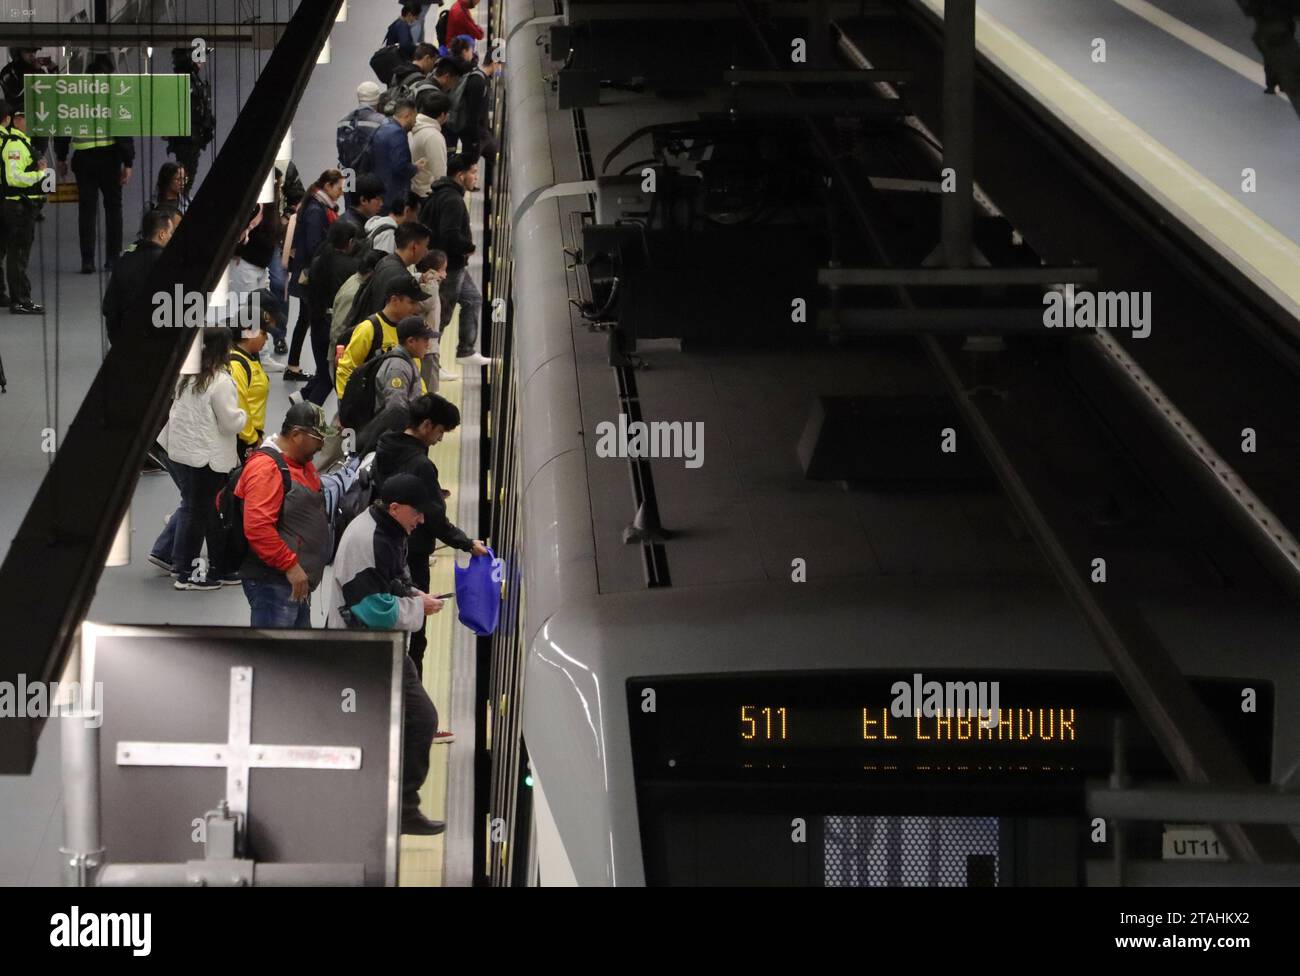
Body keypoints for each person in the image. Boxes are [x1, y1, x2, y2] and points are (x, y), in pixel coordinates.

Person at [326, 471, 447, 834]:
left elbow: (391, 580)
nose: (422, 520)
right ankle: (371, 810)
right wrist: (417, 610)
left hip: (384, 646)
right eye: (417, 513)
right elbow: (370, 608)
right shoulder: (369, 539)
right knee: (386, 727)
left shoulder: (391, 531)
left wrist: (414, 595)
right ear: (395, 508)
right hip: (362, 652)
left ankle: (400, 807)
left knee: (414, 720)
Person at [373, 393, 488, 675]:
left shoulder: (386, 444)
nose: (439, 439)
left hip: (385, 542)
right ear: (426, 425)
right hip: (413, 552)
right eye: (439, 432)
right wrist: (467, 543)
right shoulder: (421, 464)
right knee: (416, 629)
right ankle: (412, 703)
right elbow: (434, 519)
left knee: (395, 620)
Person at [152, 329, 247, 590]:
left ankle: (192, 567)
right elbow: (230, 424)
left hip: (185, 454)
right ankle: (188, 575)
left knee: (196, 511)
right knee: (204, 514)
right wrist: (243, 417)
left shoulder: (186, 376)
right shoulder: (221, 382)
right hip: (209, 458)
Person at [235, 401, 333, 627]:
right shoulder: (266, 469)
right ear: (297, 435)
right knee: (274, 657)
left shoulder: (300, 462)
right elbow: (258, 528)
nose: (322, 445)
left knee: (296, 656)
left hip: (295, 581)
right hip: (274, 583)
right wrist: (290, 565)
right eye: (318, 438)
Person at [55, 55, 134, 274]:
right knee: (113, 209)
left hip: (84, 160)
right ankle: (112, 258)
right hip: (110, 159)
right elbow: (123, 130)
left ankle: (87, 260)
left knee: (87, 211)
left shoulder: (75, 100)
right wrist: (128, 162)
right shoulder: (112, 99)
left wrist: (61, 158)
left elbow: (63, 129)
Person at [421, 155, 490, 366]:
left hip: (453, 265)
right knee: (440, 316)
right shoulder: (452, 200)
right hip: (449, 268)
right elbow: (449, 234)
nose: (476, 177)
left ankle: (466, 351)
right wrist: (468, 247)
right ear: (461, 176)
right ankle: (431, 362)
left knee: (473, 299)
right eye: (473, 172)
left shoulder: (441, 194)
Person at [296, 220, 366, 407]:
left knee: (323, 372)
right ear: (350, 242)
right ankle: (307, 418)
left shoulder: (319, 261)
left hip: (318, 323)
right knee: (330, 378)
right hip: (336, 327)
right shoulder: (352, 268)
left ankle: (302, 402)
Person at [285, 169, 344, 383]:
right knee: (311, 320)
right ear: (327, 186)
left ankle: (293, 365)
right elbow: (313, 246)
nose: (342, 193)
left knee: (305, 319)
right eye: (339, 188)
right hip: (311, 276)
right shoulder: (316, 210)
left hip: (308, 275)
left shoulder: (318, 206)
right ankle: (313, 368)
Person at [336, 276, 427, 400]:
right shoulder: (369, 329)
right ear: (394, 300)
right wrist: (347, 404)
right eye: (412, 302)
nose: (416, 308)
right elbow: (346, 369)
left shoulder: (409, 330)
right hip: (370, 408)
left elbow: (415, 373)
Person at [354, 314, 433, 456]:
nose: (428, 344)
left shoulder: (408, 360)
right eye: (425, 340)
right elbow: (396, 410)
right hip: (392, 439)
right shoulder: (398, 367)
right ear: (411, 341)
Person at [102, 208, 175, 345]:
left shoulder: (126, 256)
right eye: (171, 233)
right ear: (162, 234)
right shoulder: (165, 263)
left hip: (124, 338)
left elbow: (109, 306)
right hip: (154, 340)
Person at [0, 103, 47, 315]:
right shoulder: (15, 146)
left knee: (16, 253)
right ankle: (20, 300)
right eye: (26, 118)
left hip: (20, 206)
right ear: (15, 120)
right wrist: (40, 175)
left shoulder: (20, 143)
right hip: (18, 206)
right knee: (18, 254)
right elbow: (14, 177)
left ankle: (19, 298)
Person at [344, 220, 433, 329]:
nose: (426, 251)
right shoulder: (400, 276)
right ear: (414, 246)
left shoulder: (385, 261)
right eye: (425, 246)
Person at [229, 293, 274, 464]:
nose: (266, 338)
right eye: (263, 333)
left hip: (251, 435)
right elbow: (239, 404)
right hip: (243, 440)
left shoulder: (251, 358)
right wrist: (252, 439)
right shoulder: (237, 364)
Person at [165, 47, 216, 190]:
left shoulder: (192, 82)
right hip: (188, 139)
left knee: (186, 178)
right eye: (198, 59)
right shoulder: (185, 83)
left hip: (192, 139)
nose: (201, 63)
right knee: (185, 180)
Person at [1239, 0, 1300, 114]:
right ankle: (1280, 84)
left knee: (1271, 56)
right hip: (1283, 20)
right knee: (1283, 56)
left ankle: (1271, 84)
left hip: (1270, 19)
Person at [331, 248, 386, 371]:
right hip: (345, 359)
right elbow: (339, 329)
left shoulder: (359, 283)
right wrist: (342, 357)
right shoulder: (355, 292)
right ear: (373, 272)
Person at [373, 99, 424, 214]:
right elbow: (400, 167)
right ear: (408, 115)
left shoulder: (384, 126)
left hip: (381, 188)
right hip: (393, 194)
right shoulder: (398, 134)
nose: (415, 123)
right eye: (414, 118)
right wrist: (415, 168)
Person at [338, 81, 386, 198]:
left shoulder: (344, 122)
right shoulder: (383, 122)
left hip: (350, 178)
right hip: (374, 182)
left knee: (352, 212)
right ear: (377, 99)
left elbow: (342, 154)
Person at [409, 90, 450, 199]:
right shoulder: (434, 137)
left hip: (412, 189)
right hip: (425, 194)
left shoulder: (412, 124)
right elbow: (439, 174)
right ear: (442, 115)